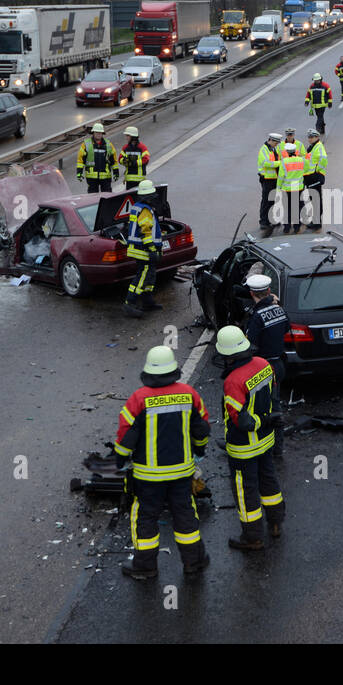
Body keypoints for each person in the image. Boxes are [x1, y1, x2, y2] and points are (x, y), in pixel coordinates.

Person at [114, 345, 211, 580]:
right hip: (181, 472)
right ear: (173, 370)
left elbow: (126, 437)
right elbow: (202, 428)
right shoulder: (189, 394)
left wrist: (120, 459)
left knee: (146, 518)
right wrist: (199, 449)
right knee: (185, 514)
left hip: (148, 477)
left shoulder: (138, 399)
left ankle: (145, 568)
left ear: (149, 372)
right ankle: (194, 563)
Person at [215, 325, 284, 549]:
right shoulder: (264, 365)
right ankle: (275, 523)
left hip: (244, 447)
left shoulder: (233, 381)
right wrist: (269, 422)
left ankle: (252, 537)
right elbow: (275, 399)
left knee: (246, 491)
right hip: (267, 440)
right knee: (269, 480)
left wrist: (259, 422)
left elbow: (242, 422)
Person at [244, 273, 288, 436]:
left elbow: (251, 345)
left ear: (252, 293)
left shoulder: (257, 317)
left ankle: (273, 444)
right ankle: (275, 443)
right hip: (279, 363)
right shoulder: (279, 309)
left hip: (264, 367)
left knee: (268, 405)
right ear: (269, 290)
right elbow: (286, 328)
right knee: (274, 402)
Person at [122, 180, 163, 317]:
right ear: (147, 197)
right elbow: (145, 231)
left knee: (150, 275)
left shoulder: (137, 207)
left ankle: (147, 301)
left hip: (140, 248)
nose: (154, 197)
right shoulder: (145, 210)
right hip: (143, 250)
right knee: (143, 275)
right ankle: (130, 303)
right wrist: (152, 249)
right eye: (152, 195)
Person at [75, 123, 118, 194]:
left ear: (102, 133)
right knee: (92, 198)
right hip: (92, 177)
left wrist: (116, 173)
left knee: (106, 197)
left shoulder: (109, 145)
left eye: (100, 133)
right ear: (93, 133)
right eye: (97, 132)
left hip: (105, 177)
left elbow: (113, 160)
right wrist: (79, 172)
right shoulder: (86, 144)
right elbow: (80, 160)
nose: (98, 134)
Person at [277, 142, 306, 233]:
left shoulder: (284, 162)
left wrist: (278, 188)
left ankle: (287, 228)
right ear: (295, 151)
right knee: (297, 207)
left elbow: (281, 177)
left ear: (286, 152)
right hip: (298, 188)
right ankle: (297, 228)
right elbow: (305, 171)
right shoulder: (301, 160)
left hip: (287, 188)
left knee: (287, 208)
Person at [302, 128, 327, 230]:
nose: (310, 139)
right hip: (310, 177)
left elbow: (324, 160)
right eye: (309, 137)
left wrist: (317, 170)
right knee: (313, 199)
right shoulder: (312, 147)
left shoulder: (318, 147)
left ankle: (317, 223)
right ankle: (315, 220)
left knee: (316, 199)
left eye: (312, 137)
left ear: (317, 137)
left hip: (315, 176)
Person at [257, 132, 282, 229]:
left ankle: (272, 219)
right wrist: (279, 163)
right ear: (271, 140)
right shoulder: (264, 149)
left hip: (274, 179)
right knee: (266, 201)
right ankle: (264, 222)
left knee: (273, 200)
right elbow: (266, 163)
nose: (277, 145)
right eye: (276, 143)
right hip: (267, 179)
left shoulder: (272, 149)